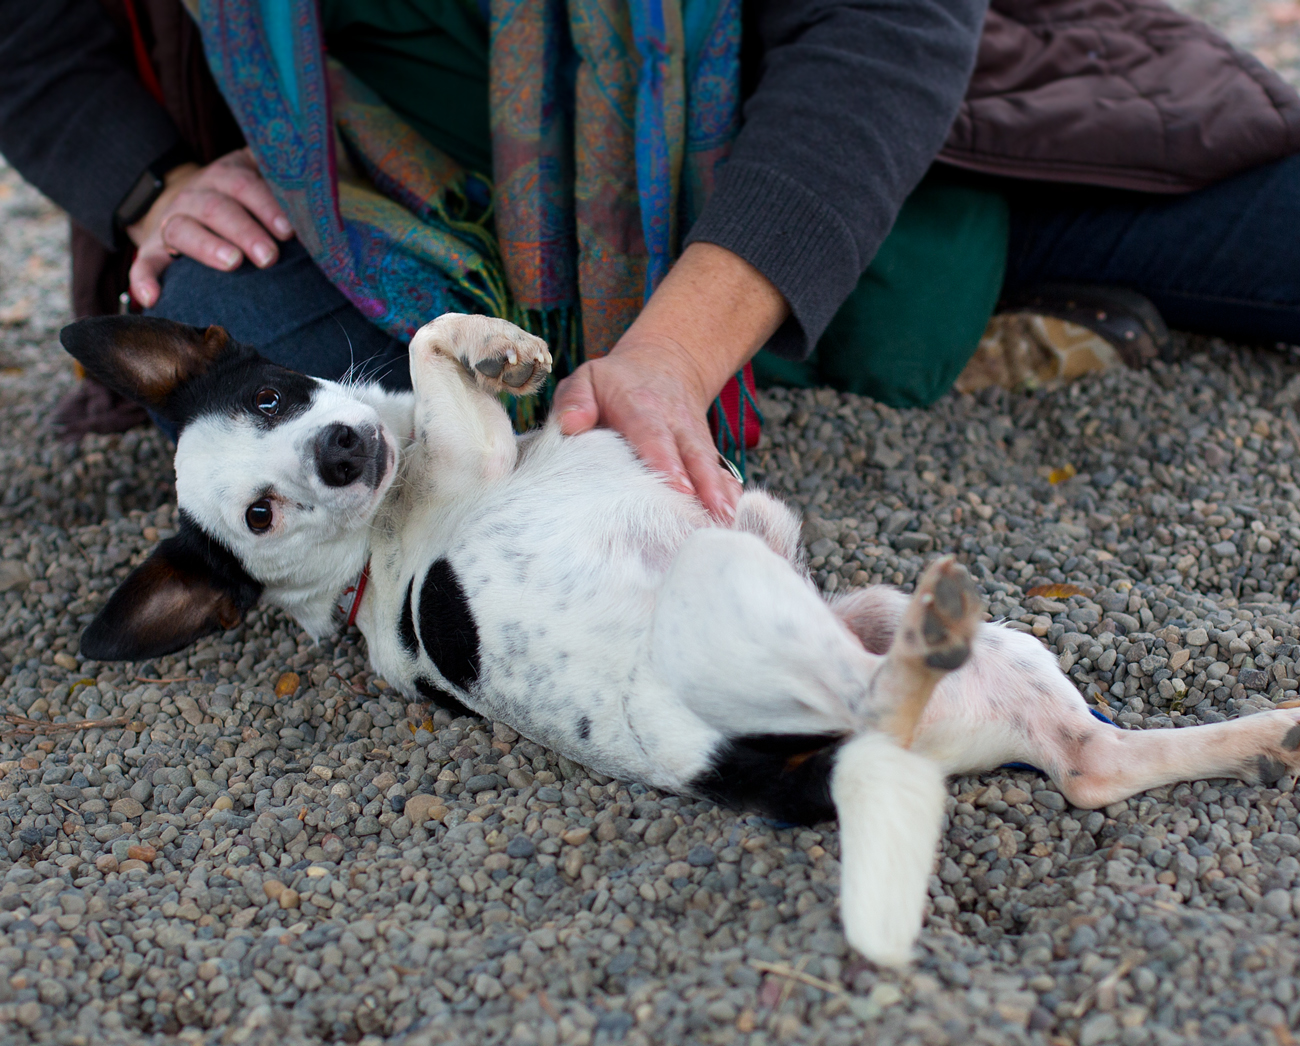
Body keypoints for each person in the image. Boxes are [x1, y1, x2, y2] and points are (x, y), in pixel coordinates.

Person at [1, 0, 1298, 524]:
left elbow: (890, 25)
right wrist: (149, 180)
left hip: (843, 167)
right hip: (379, 238)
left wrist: (672, 358)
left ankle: (841, 324)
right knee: (215, 315)